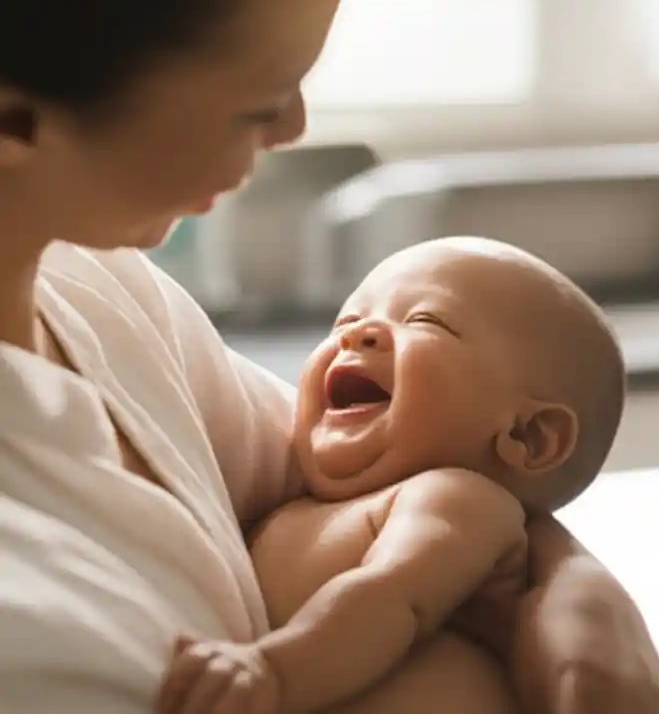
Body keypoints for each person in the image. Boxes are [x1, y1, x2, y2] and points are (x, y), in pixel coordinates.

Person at [0, 0, 659, 713]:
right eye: (256, 97)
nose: (293, 125)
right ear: (14, 120)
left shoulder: (101, 293)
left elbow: (421, 485)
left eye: (423, 320)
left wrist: (582, 604)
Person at [158, 237, 627, 712]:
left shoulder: (458, 500)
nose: (356, 335)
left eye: (426, 320)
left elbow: (390, 597)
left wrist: (272, 671)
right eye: (347, 321)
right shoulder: (287, 504)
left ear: (527, 435)